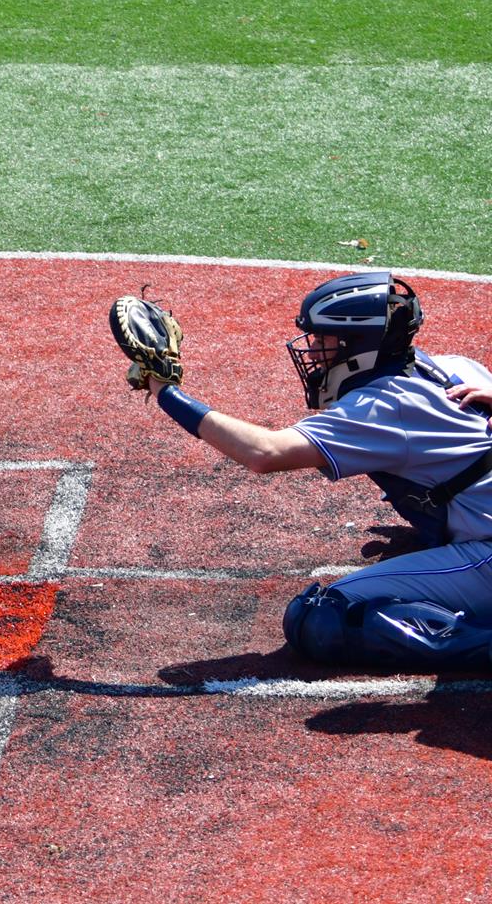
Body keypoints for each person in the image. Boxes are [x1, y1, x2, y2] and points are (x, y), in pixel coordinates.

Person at [137, 271, 492, 671]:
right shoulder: (456, 368)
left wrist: (165, 391)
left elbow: (264, 453)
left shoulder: (381, 406)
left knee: (324, 617)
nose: (315, 352)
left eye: (324, 339)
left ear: (356, 345)